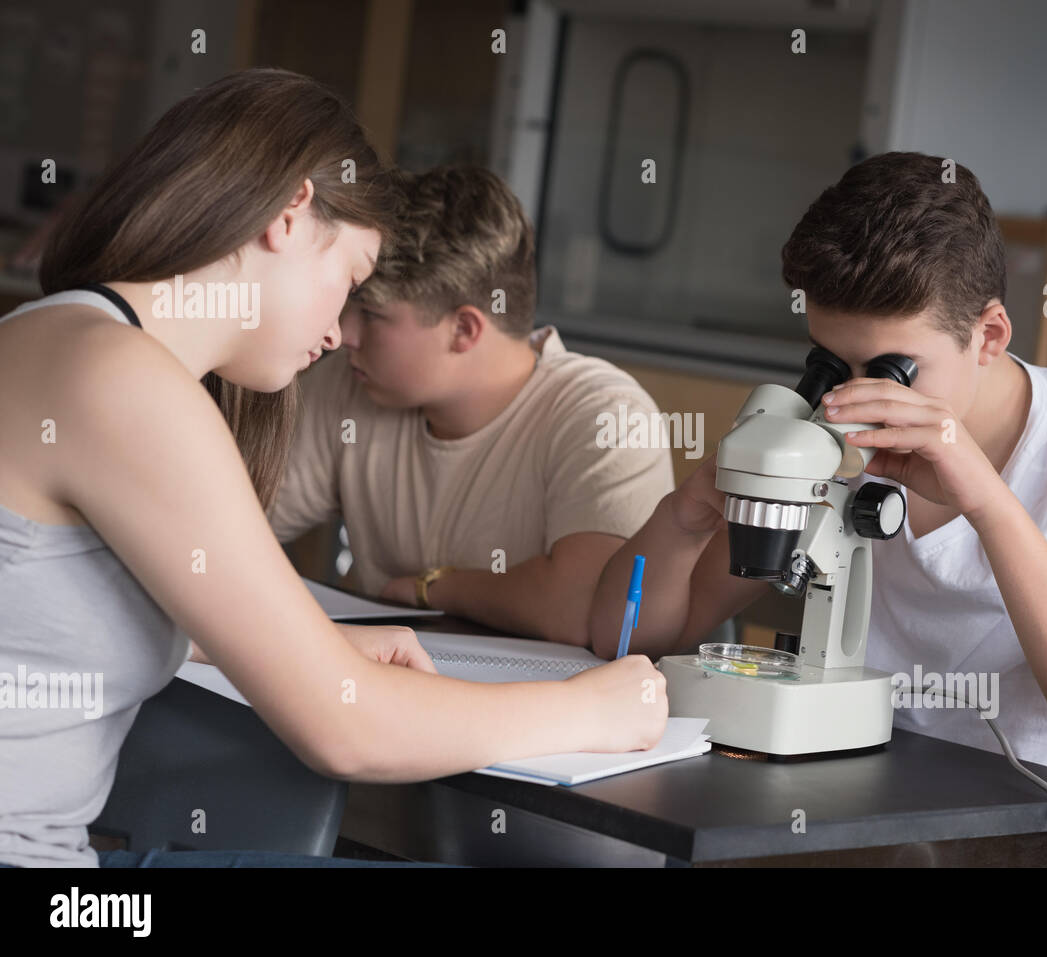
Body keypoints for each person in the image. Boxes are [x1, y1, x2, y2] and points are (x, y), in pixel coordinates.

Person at [0, 68, 665, 869]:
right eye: (349, 278)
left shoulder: (49, 334)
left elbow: (49, 620)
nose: (336, 333)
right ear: (288, 218)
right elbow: (345, 731)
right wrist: (585, 711)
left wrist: (317, 646)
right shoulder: (126, 383)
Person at [588, 152, 1047, 798]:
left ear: (988, 335)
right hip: (846, 804)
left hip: (1023, 832)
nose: (851, 400)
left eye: (892, 373)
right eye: (830, 364)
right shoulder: (828, 432)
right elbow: (621, 636)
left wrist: (986, 500)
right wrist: (686, 512)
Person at [267, 166, 674, 645]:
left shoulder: (608, 416)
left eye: (372, 316)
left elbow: (583, 606)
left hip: (539, 709)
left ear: (464, 330)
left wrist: (433, 589)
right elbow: (226, 524)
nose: (343, 335)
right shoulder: (352, 383)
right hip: (383, 686)